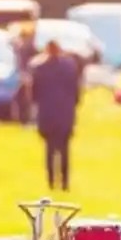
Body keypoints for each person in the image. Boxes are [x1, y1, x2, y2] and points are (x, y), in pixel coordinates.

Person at [30, 39, 81, 191]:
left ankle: (52, 181)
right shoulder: (69, 67)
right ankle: (64, 181)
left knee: (50, 149)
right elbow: (76, 91)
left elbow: (34, 93)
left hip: (47, 113)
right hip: (65, 113)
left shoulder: (39, 68)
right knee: (64, 149)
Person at [11, 23, 39, 124]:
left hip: (28, 77)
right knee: (22, 98)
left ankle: (30, 118)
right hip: (23, 76)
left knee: (29, 99)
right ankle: (22, 118)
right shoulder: (22, 48)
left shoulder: (30, 49)